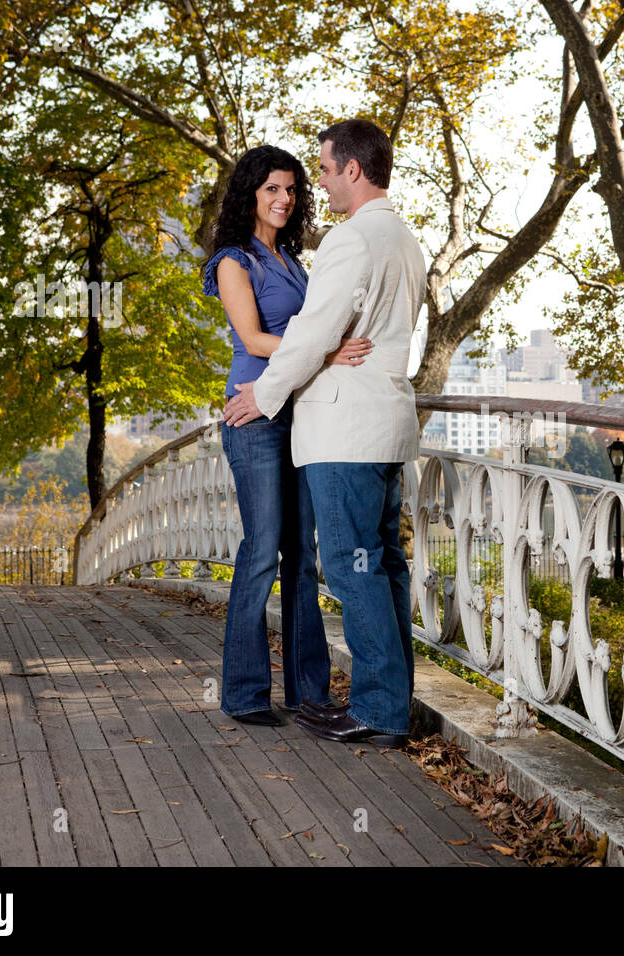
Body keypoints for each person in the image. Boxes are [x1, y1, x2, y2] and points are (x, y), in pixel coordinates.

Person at [222, 119, 425, 748]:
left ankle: (378, 710)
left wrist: (265, 391)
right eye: (276, 187)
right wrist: (273, 385)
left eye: (325, 171)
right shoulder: (406, 238)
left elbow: (314, 335)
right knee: (383, 565)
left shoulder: (348, 241)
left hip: (344, 431)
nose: (319, 185)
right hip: (384, 425)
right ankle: (384, 702)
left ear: (353, 171)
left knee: (350, 566)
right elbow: (299, 337)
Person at [202, 144, 374, 727]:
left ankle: (309, 694)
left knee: (302, 556)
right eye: (273, 188)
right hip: (254, 415)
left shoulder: (295, 261)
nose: (285, 199)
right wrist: (326, 351)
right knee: (262, 551)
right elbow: (252, 339)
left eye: (293, 189)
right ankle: (245, 694)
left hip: (301, 416)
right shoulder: (234, 260)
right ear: (251, 193)